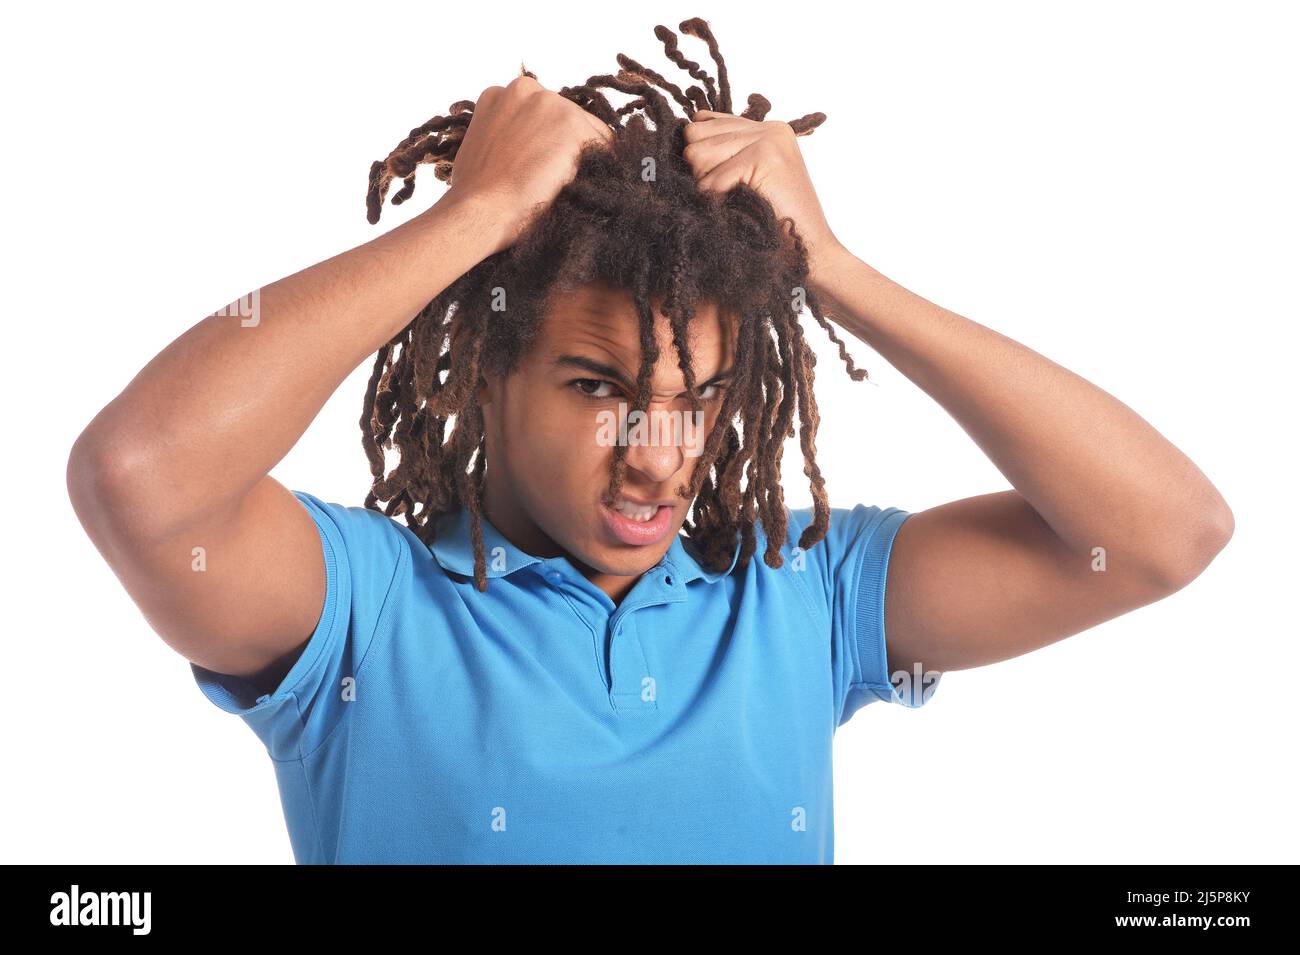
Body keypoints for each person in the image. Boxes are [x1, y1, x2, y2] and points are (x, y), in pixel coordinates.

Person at [66, 17, 1233, 864]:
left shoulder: (797, 597)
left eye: (704, 394)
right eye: (596, 386)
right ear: (487, 375)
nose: (659, 452)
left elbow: (1162, 535)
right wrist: (471, 221)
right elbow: (141, 475)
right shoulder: (365, 613)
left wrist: (832, 269)